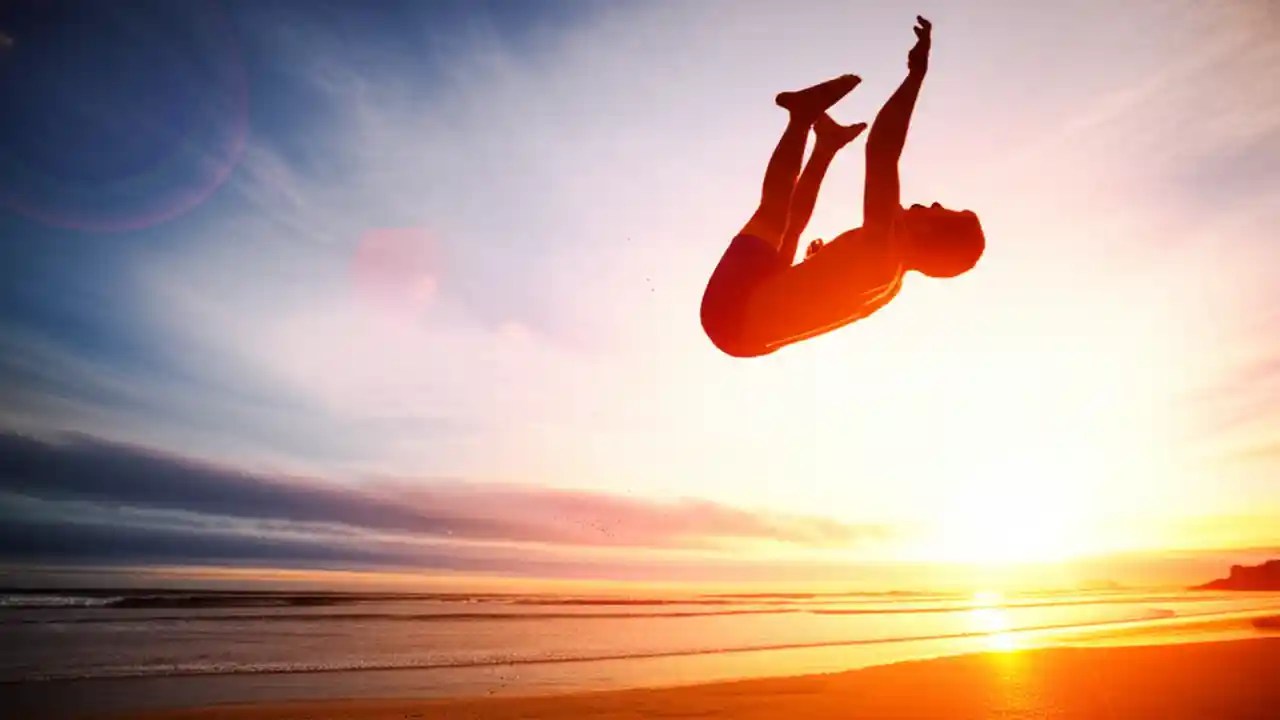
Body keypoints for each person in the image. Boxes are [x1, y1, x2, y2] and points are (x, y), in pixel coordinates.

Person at [700, 16, 984, 358]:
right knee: (789, 231)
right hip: (748, 331)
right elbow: (830, 295)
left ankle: (802, 117)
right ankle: (825, 146)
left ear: (930, 234)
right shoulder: (889, 278)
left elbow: (881, 152)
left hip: (731, 311)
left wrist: (916, 75)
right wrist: (820, 263)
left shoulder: (884, 249)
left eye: (943, 212)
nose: (934, 205)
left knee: (773, 213)